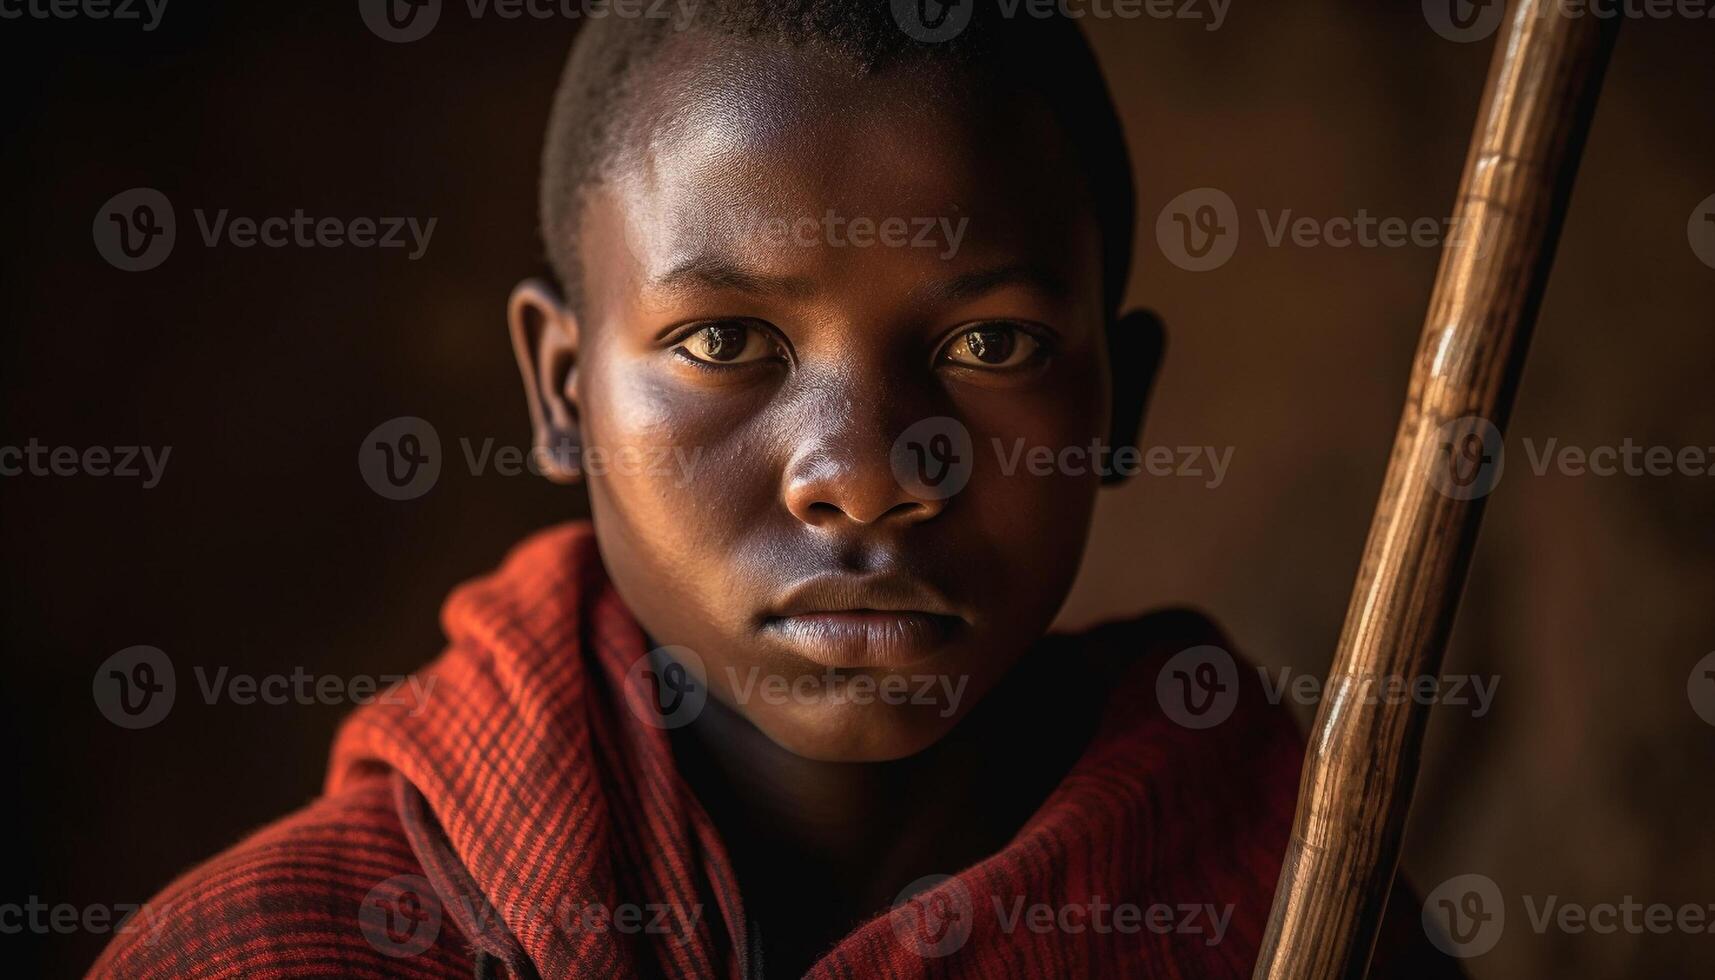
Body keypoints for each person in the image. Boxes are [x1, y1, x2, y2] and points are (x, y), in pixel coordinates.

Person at [93, 3, 1460, 977]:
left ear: (1123, 402)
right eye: (727, 344)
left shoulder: (1300, 917)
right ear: (561, 391)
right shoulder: (280, 951)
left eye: (990, 347)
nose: (864, 477)